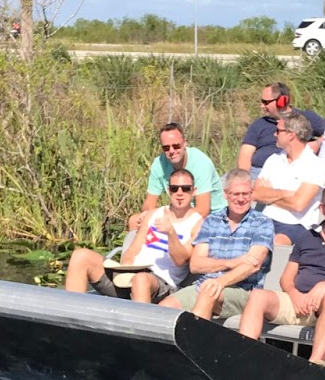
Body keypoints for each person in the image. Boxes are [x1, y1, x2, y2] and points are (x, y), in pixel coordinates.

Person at [238, 182, 325, 366]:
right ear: (323, 209)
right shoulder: (307, 236)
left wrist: (324, 286)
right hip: (296, 302)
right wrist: (295, 295)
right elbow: (286, 278)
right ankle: (243, 358)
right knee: (258, 296)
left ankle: (315, 362)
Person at [64, 171, 204, 303]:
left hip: (161, 283)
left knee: (141, 280)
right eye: (175, 188)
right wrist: (126, 269)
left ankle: (138, 326)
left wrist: (171, 232)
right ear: (168, 190)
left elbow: (182, 260)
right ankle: (70, 319)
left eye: (185, 188)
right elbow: (133, 250)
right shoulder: (153, 214)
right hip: (131, 276)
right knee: (80, 256)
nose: (180, 193)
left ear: (194, 191)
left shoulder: (198, 224)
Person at [161, 168, 276, 321]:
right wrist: (230, 263)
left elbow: (252, 265)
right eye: (235, 194)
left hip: (243, 290)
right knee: (164, 309)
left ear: (251, 193)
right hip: (204, 285)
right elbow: (196, 264)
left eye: (245, 194)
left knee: (208, 294)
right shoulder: (211, 221)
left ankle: (196, 344)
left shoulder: (262, 223)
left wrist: (220, 282)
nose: (241, 199)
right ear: (226, 194)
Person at [252, 109, 325, 246]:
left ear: (291, 135)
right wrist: (286, 193)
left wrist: (269, 196)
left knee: (271, 244)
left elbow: (298, 205)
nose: (274, 134)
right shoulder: (273, 160)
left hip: (296, 225)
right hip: (265, 219)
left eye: (279, 131)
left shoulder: (315, 165)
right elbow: (256, 194)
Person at [130, 122, 221, 230]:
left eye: (176, 146)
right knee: (134, 221)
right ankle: (143, 246)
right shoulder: (159, 164)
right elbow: (149, 202)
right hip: (178, 212)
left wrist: (172, 220)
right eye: (166, 148)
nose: (172, 151)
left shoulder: (201, 163)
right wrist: (147, 215)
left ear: (185, 143)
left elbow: (203, 210)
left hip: (211, 216)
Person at [236, 82, 325, 174]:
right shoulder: (259, 124)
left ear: (282, 101)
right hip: (256, 171)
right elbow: (245, 154)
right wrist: (244, 178)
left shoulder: (305, 118)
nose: (262, 106)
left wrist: (317, 143)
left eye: (266, 102)